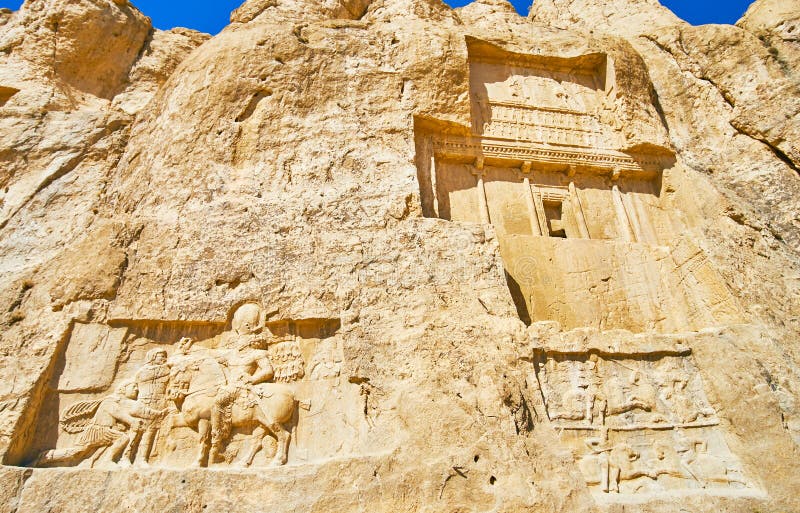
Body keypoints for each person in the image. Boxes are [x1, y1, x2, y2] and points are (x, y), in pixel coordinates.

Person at [36, 381, 164, 468]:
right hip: (98, 430)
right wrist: (131, 421)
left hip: (103, 430)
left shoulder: (120, 402)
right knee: (120, 439)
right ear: (123, 389)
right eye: (133, 387)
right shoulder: (111, 401)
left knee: (77, 452)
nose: (136, 389)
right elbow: (118, 414)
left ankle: (47, 457)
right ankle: (46, 456)